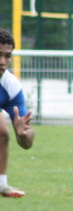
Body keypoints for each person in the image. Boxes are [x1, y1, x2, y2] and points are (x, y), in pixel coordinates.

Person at [0, 28, 35, 198]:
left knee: (3, 133)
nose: (2, 61)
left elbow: (27, 144)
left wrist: (23, 133)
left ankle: (2, 184)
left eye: (7, 56)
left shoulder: (11, 86)